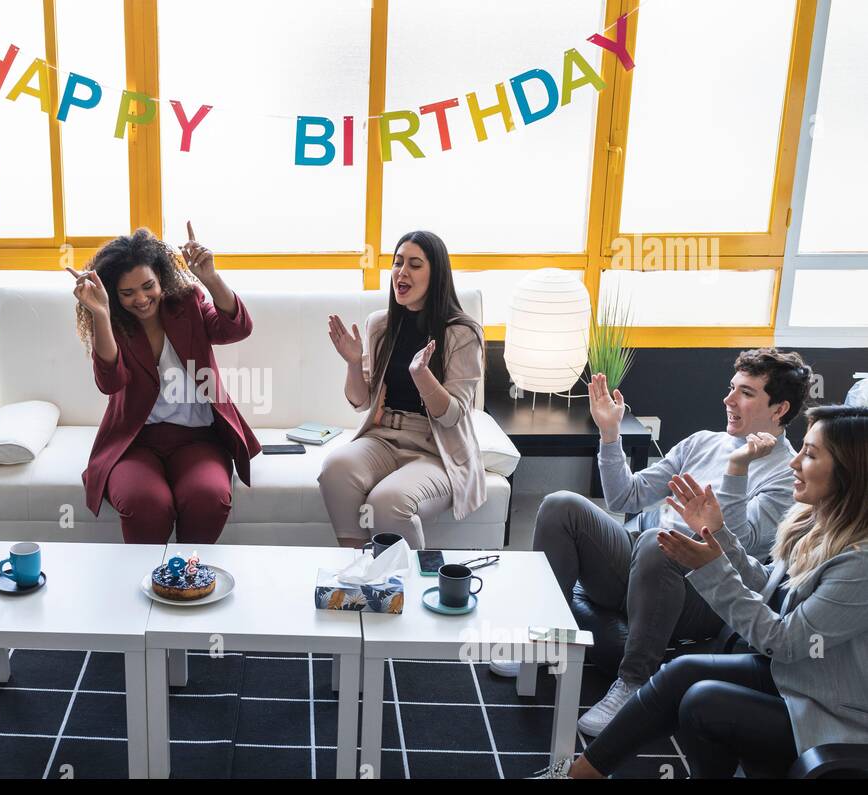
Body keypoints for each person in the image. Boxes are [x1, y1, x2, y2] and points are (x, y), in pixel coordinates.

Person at [540, 405, 868, 778]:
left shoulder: (860, 564)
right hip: (798, 678)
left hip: (828, 710)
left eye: (810, 455)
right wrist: (719, 535)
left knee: (702, 701)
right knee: (680, 672)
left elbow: (785, 642)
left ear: (850, 471)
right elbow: (766, 585)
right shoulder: (816, 524)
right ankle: (577, 775)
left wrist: (709, 566)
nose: (796, 464)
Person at [518, 349, 812, 738]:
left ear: (780, 409)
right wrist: (610, 434)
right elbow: (625, 497)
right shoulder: (701, 442)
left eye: (745, 393)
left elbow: (738, 546)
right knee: (562, 506)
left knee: (659, 541)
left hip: (706, 593)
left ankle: (633, 683)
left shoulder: (784, 475)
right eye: (730, 389)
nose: (728, 400)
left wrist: (737, 469)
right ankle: (541, 639)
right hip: (645, 565)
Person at [74, 224, 260, 544]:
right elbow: (110, 381)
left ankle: (188, 580)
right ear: (114, 295)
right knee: (145, 504)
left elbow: (236, 328)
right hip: (135, 442)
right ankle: (147, 585)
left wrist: (211, 278)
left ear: (161, 278)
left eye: (148, 286)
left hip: (199, 439)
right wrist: (101, 314)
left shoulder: (187, 303)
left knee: (209, 498)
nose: (142, 299)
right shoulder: (112, 321)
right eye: (127, 293)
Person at [318, 230, 485, 549]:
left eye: (415, 264)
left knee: (387, 502)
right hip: (384, 437)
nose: (401, 272)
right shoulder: (379, 325)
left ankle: (410, 587)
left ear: (436, 276)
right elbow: (360, 402)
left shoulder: (462, 333)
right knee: (335, 470)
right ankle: (359, 572)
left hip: (436, 450)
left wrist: (421, 375)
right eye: (397, 263)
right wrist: (353, 363)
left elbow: (452, 416)